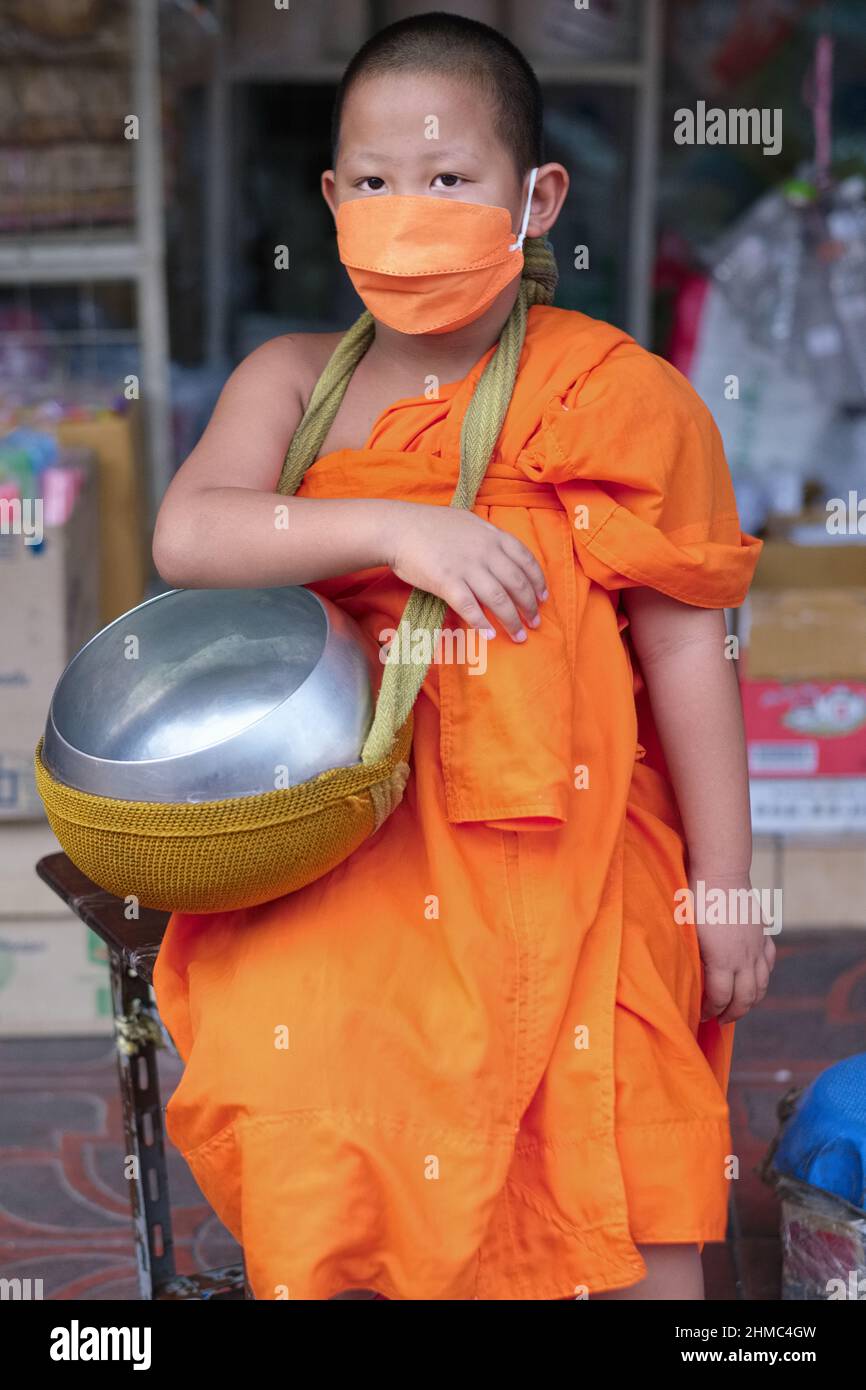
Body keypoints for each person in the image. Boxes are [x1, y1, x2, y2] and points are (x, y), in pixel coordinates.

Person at [151, 11, 774, 1301]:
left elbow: (690, 649)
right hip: (347, 835)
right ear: (330, 198)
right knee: (319, 1074)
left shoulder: (619, 391)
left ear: (536, 198)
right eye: (374, 183)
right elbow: (191, 535)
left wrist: (724, 885)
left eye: (448, 180)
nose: (406, 209)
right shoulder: (293, 378)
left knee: (615, 1122)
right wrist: (397, 527)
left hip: (579, 850)